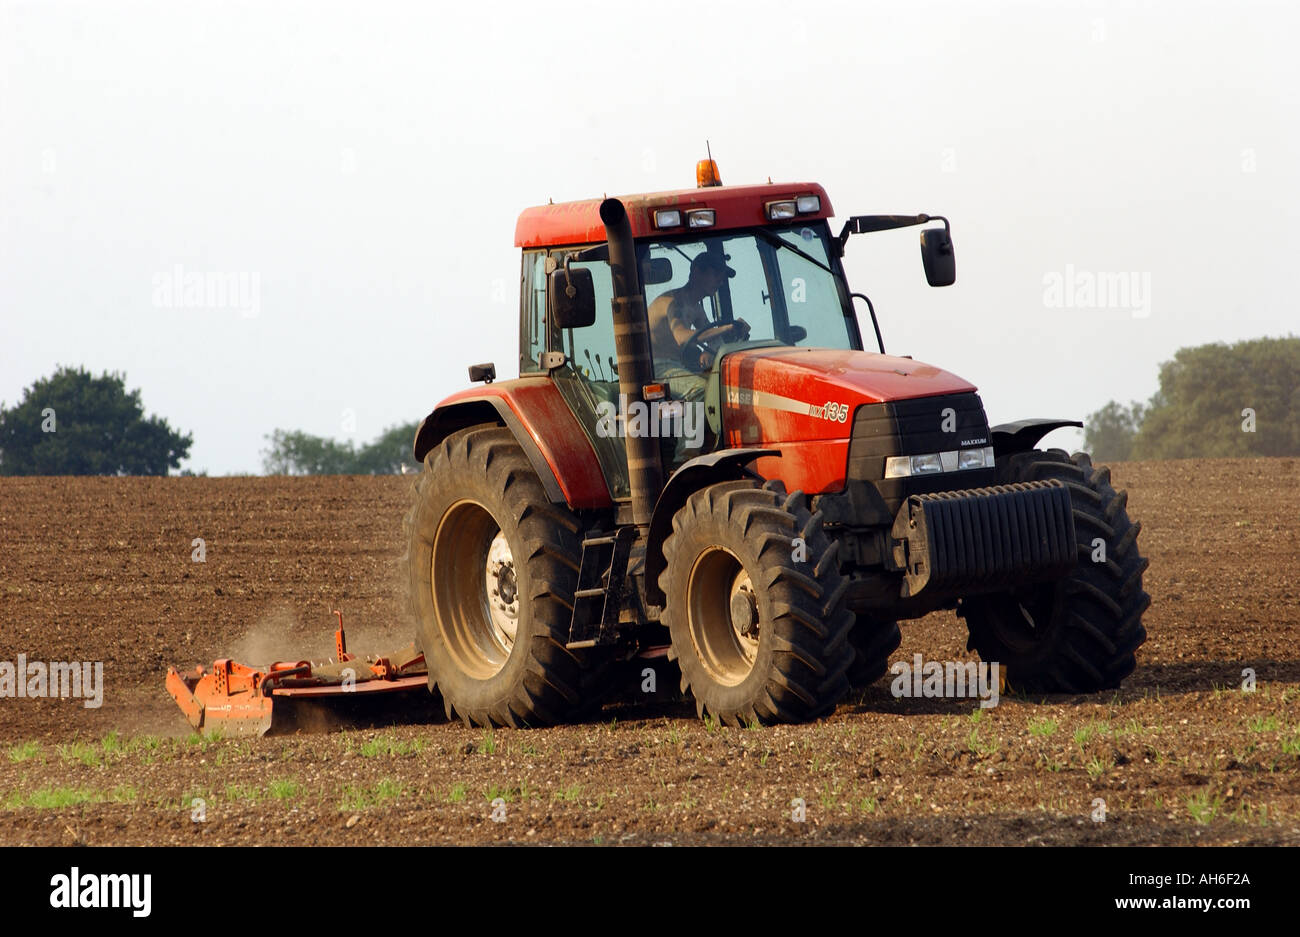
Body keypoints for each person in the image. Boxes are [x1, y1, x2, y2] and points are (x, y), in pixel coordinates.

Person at [647, 252, 749, 402]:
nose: (720, 281)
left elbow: (715, 342)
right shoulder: (673, 302)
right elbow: (682, 338)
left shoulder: (696, 309)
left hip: (677, 367)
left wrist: (737, 335)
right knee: (705, 392)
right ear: (696, 272)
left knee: (735, 386)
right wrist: (725, 328)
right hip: (659, 368)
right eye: (715, 274)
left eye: (722, 277)